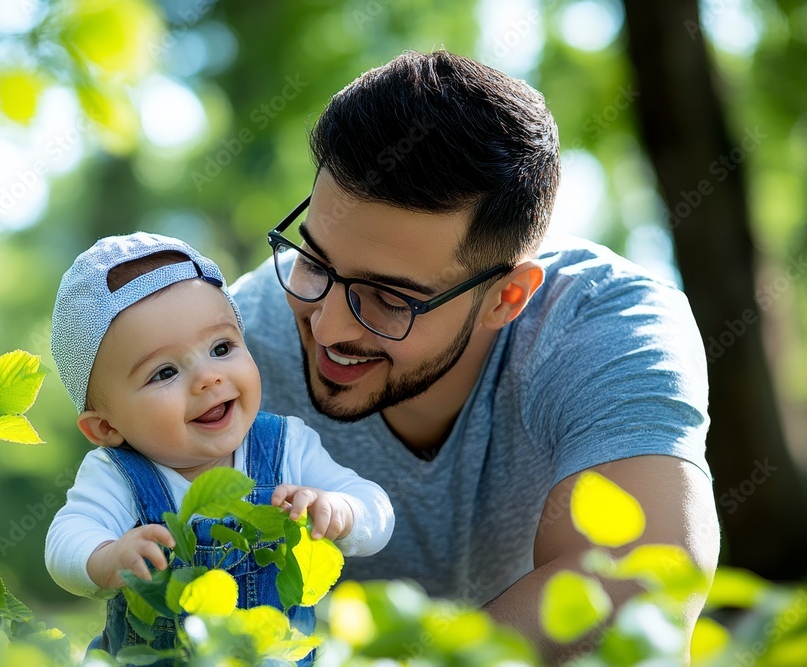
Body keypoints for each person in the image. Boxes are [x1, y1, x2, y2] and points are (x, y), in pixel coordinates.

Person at [230, 50, 719, 662]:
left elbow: (647, 578)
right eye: (315, 260)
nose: (326, 325)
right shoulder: (234, 342)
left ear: (505, 299)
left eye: (387, 298)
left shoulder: (606, 325)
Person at [44, 232, 394, 663]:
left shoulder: (285, 446)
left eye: (221, 347)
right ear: (105, 427)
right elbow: (65, 539)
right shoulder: (116, 474)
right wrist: (105, 556)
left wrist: (341, 509)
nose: (207, 378)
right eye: (165, 372)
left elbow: (376, 508)